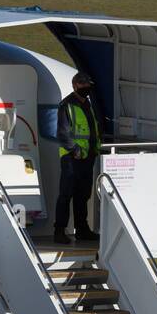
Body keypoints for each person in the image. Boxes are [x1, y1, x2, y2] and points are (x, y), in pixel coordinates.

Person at [54, 72, 101, 243]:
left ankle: (82, 229)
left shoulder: (88, 104)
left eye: (87, 84)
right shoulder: (67, 105)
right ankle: (59, 231)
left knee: (83, 195)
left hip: (88, 158)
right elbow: (62, 134)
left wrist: (95, 149)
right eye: (82, 85)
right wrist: (75, 150)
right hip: (71, 159)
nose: (86, 88)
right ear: (75, 86)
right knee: (66, 195)